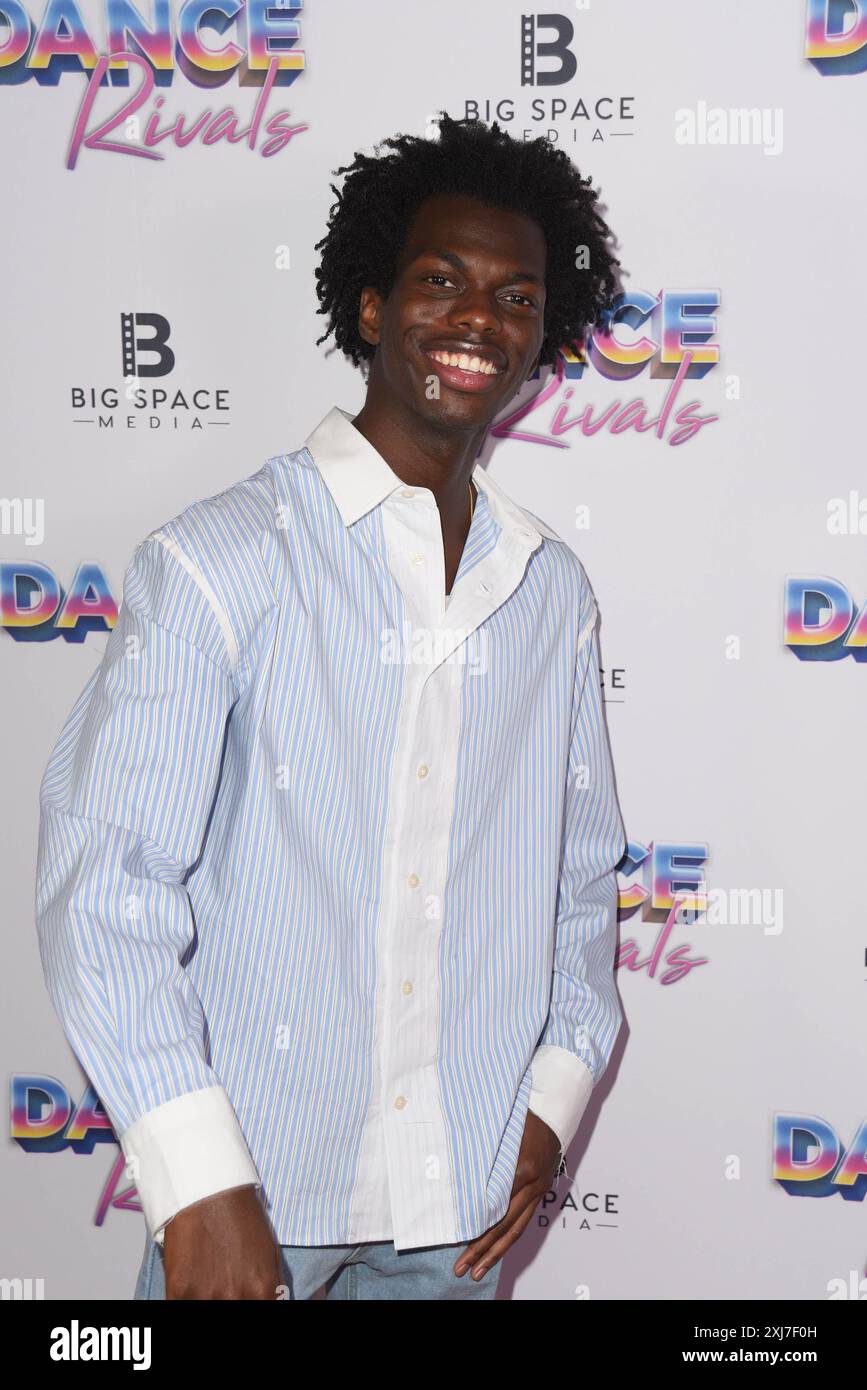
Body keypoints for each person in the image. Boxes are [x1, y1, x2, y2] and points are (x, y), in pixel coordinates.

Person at [34, 113, 626, 1301]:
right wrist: (198, 1181)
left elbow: (580, 875)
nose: (477, 321)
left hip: (455, 1211)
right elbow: (105, 884)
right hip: (255, 1199)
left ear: (541, 332)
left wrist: (552, 1097)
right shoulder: (221, 560)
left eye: (515, 296)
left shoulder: (547, 588)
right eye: (440, 280)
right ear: (369, 306)